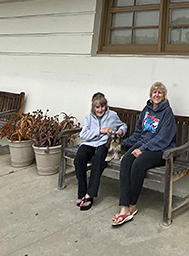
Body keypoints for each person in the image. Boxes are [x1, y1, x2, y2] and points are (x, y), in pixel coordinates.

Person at [112, 82, 176, 226]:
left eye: (160, 92)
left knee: (138, 163)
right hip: (143, 145)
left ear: (164, 96)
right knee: (126, 161)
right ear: (151, 94)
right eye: (154, 92)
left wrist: (143, 149)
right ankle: (124, 207)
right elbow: (138, 134)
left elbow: (163, 138)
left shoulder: (167, 113)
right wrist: (124, 143)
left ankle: (133, 205)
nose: (157, 95)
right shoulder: (146, 110)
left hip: (160, 150)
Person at [75, 93, 127, 211]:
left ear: (106, 106)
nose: (100, 109)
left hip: (103, 145)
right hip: (89, 144)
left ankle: (90, 194)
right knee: (80, 157)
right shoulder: (89, 118)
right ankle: (82, 193)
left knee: (98, 159)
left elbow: (123, 125)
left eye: (102, 106)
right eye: (97, 107)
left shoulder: (112, 116)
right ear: (93, 108)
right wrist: (99, 130)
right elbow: (83, 135)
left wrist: (120, 131)